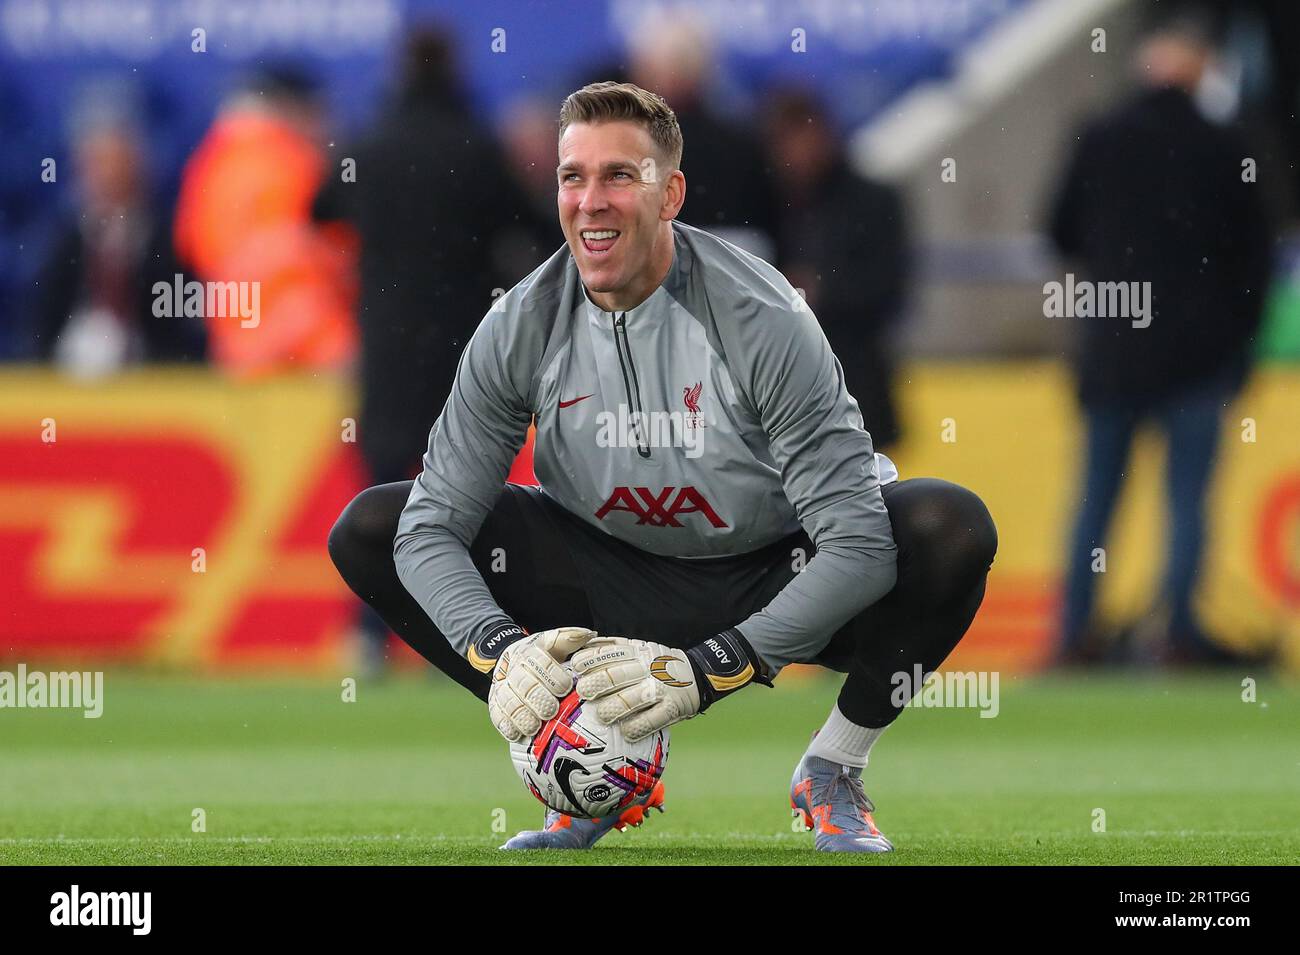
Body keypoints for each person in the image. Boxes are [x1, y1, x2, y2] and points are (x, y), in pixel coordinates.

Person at [328, 82, 997, 853]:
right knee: (371, 528)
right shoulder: (519, 322)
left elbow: (857, 544)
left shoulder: (764, 317)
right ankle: (582, 748)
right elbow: (429, 529)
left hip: (777, 566)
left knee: (950, 527)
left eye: (619, 175)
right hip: (604, 571)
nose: (591, 201)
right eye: (572, 177)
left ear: (670, 192)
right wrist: (497, 650)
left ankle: (834, 764)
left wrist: (705, 670)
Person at [1048, 13, 1274, 667]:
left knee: (1095, 499)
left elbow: (1059, 231)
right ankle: (1176, 632)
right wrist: (1238, 343)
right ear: (1200, 66)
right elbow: (1254, 259)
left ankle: (1075, 634)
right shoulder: (1226, 142)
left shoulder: (1100, 136)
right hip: (1200, 357)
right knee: (1187, 502)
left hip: (1114, 353)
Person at [765, 87, 910, 450]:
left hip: (857, 379)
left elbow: (890, 286)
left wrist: (820, 291)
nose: (798, 153)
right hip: (781, 388)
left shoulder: (874, 201)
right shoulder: (769, 202)